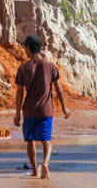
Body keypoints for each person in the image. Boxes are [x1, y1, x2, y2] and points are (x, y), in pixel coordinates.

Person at [14, 33, 69, 178]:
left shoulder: (23, 68)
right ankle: (45, 163)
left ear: (27, 48)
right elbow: (58, 89)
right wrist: (64, 108)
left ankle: (34, 171)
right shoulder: (50, 66)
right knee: (46, 140)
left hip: (29, 111)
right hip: (46, 110)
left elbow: (19, 93)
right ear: (39, 48)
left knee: (30, 140)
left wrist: (17, 113)